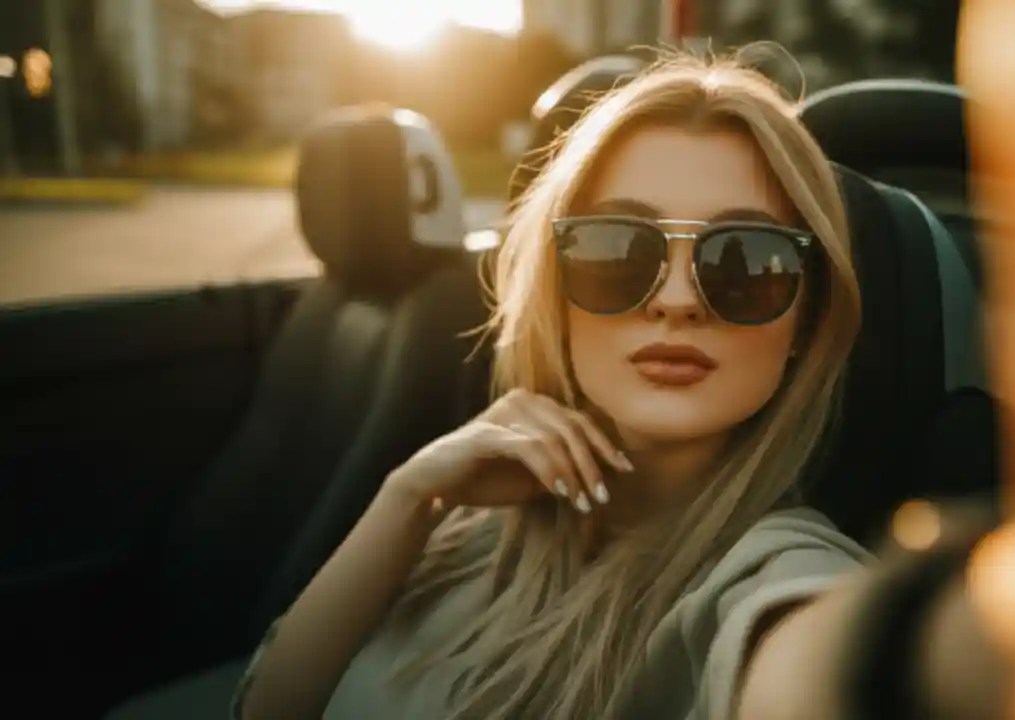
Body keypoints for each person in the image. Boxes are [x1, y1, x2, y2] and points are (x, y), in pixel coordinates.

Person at [233, 52, 869, 720]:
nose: (678, 300)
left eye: (746, 259)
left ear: (806, 316)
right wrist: (409, 496)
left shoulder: (784, 585)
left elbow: (836, 672)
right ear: (556, 294)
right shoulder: (472, 512)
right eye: (616, 249)